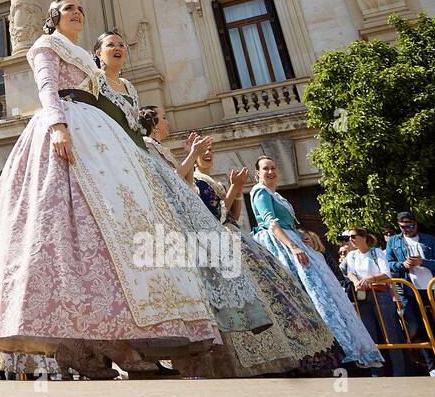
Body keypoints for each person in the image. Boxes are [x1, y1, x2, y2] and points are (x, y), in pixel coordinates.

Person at [0, 0, 218, 379]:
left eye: (80, 7)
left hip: (100, 134)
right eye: (68, 8)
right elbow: (47, 88)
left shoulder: (86, 56)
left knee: (112, 232)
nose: (77, 11)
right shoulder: (45, 45)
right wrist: (57, 126)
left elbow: (104, 100)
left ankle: (111, 341)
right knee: (67, 233)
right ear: (54, 17)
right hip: (66, 124)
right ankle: (87, 346)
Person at [138, 108, 339, 379]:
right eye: (163, 118)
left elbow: (227, 213)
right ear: (152, 123)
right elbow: (178, 187)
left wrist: (233, 187)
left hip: (222, 233)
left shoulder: (175, 158)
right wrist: (191, 155)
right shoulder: (151, 149)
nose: (167, 121)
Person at [250, 156, 382, 368]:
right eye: (266, 169)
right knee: (309, 291)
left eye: (274, 168)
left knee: (323, 291)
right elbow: (271, 223)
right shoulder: (260, 191)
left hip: (292, 238)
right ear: (257, 173)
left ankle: (343, 346)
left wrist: (301, 236)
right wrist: (292, 247)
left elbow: (290, 224)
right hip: (279, 243)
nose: (271, 172)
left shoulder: (277, 195)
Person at [341, 228, 410, 376]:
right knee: (370, 335)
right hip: (362, 296)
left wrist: (370, 279)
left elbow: (386, 273)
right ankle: (377, 373)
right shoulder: (352, 255)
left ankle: (400, 372)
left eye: (353, 236)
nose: (350, 240)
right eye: (349, 237)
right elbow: (350, 272)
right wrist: (356, 281)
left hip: (380, 294)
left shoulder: (376, 252)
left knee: (390, 334)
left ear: (364, 237)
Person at [384, 210, 435, 374]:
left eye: (410, 225)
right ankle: (432, 365)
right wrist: (402, 265)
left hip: (433, 288)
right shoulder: (393, 242)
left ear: (416, 223)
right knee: (417, 328)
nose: (407, 229)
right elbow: (389, 264)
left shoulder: (430, 240)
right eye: (403, 226)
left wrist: (423, 262)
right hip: (410, 290)